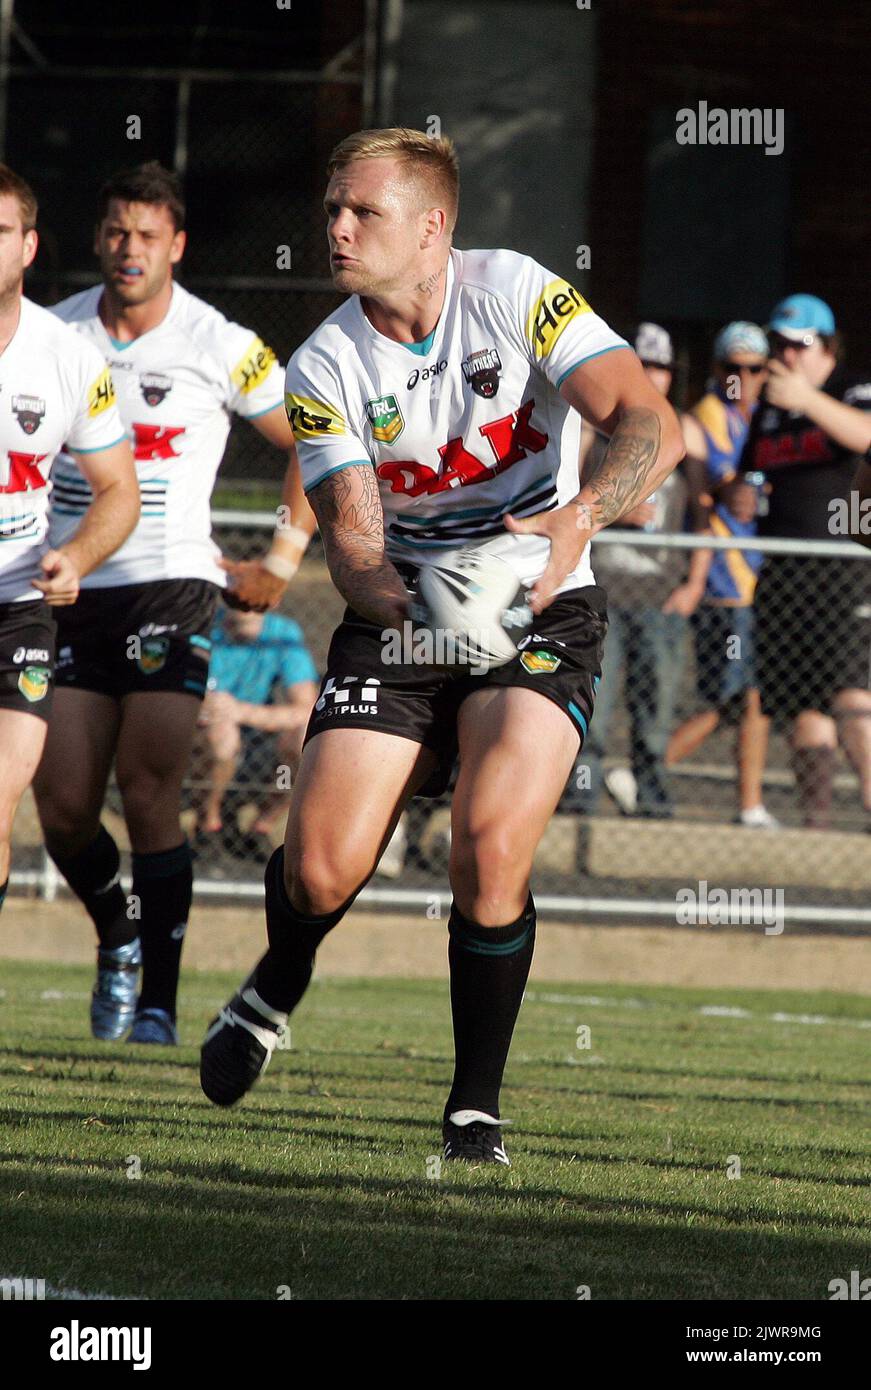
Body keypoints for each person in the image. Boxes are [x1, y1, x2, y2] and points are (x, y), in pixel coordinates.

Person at [200, 127, 684, 1165]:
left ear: (432, 228)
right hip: (403, 621)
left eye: (360, 211)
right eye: (331, 208)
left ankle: (473, 1110)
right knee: (320, 871)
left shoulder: (516, 293)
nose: (335, 228)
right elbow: (354, 541)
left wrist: (579, 518)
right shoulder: (323, 361)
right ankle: (277, 981)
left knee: (489, 843)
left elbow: (651, 423)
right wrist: (411, 601)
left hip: (544, 607)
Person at [33, 161, 315, 1047]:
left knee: (151, 787)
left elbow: (313, 438)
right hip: (67, 583)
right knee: (63, 808)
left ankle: (157, 1001)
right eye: (118, 231)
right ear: (97, 238)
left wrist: (282, 557)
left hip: (172, 585)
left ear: (177, 245)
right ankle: (116, 932)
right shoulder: (53, 333)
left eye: (148, 236)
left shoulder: (218, 342)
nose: (131, 249)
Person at [0, 165, 138, 914]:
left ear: (28, 246)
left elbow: (119, 490)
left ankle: (122, 934)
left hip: (19, 608)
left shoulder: (69, 356)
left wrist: (76, 556)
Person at [739, 294, 871, 827]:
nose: (786, 355)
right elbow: (750, 471)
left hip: (844, 566)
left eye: (799, 345)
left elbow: (865, 433)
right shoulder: (772, 407)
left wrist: (808, 399)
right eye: (778, 344)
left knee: (851, 691)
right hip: (783, 568)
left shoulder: (851, 387)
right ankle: (816, 827)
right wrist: (738, 494)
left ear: (828, 346)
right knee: (801, 701)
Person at [569, 324, 693, 818]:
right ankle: (582, 792)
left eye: (660, 368)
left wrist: (695, 582)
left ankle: (652, 793)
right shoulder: (599, 432)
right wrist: (617, 508)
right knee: (595, 699)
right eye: (643, 365)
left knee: (656, 702)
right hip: (604, 589)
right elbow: (571, 498)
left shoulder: (684, 435)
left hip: (660, 593)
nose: (653, 375)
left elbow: (710, 512)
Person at [666, 322, 778, 827]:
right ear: (717, 369)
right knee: (739, 700)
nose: (743, 378)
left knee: (741, 700)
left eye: (754, 369)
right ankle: (744, 803)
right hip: (725, 582)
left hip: (760, 579)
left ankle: (648, 770)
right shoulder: (704, 419)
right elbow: (704, 500)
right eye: (734, 368)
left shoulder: (766, 419)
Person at [191, 607, 318, 861]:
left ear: (274, 599)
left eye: (259, 595)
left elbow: (306, 710)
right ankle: (209, 824)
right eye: (240, 595)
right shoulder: (201, 628)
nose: (248, 604)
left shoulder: (282, 634)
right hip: (203, 746)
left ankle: (261, 827)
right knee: (223, 735)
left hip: (263, 749)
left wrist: (240, 711)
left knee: (307, 738)